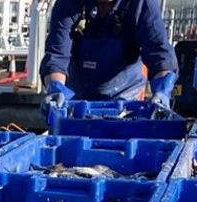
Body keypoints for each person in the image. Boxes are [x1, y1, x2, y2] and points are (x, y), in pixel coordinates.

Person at [39, 0, 179, 120]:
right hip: (75, 100)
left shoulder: (141, 4)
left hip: (127, 102)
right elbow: (57, 55)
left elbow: (159, 53)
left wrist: (162, 91)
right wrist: (56, 89)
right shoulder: (69, 3)